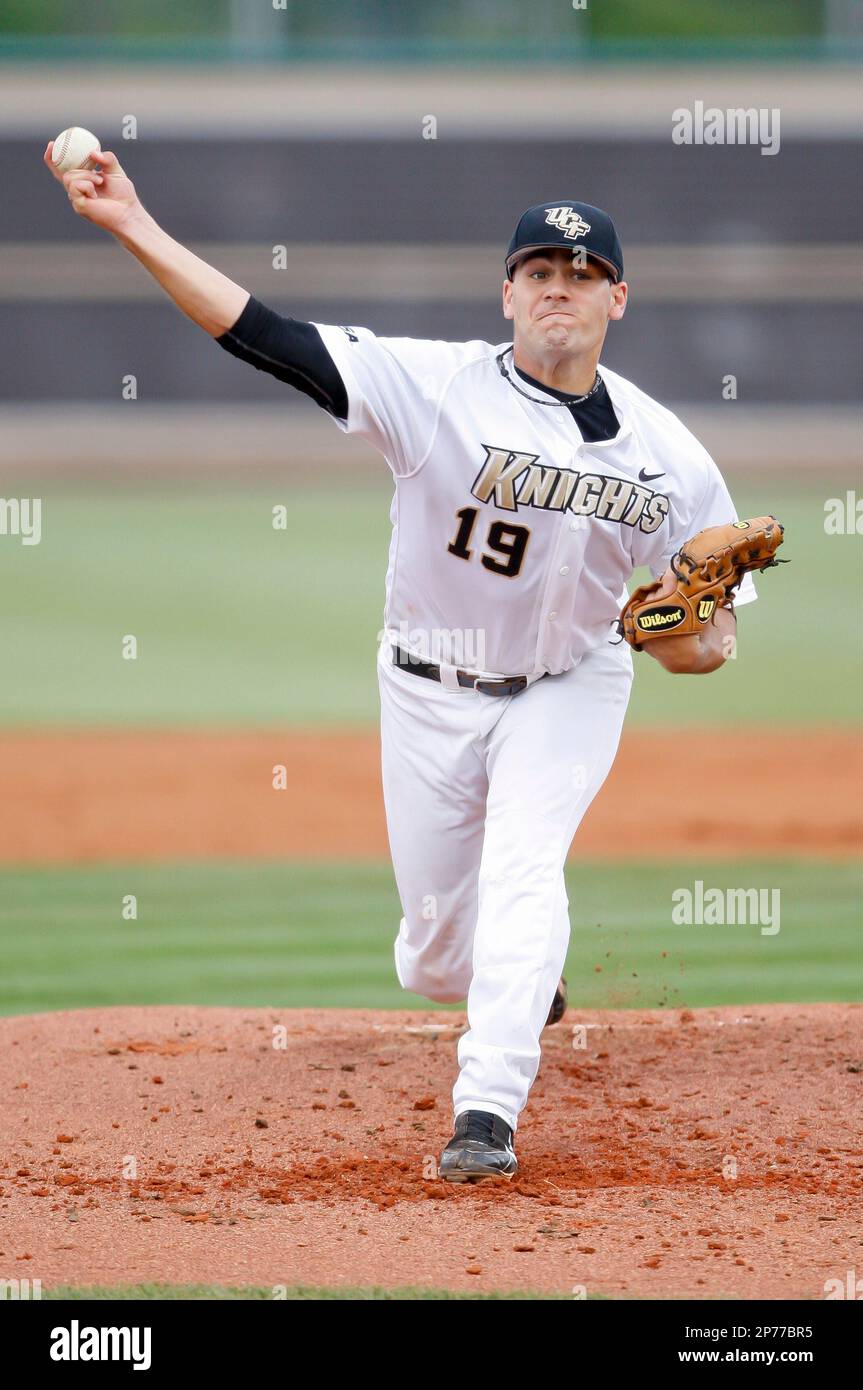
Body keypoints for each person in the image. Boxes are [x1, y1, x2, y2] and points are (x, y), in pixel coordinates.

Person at [45, 146, 756, 1182]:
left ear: (618, 299)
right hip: (425, 688)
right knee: (431, 957)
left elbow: (711, 640)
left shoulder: (671, 458)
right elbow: (260, 332)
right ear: (506, 291)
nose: (560, 290)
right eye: (540, 272)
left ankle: (486, 1112)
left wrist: (681, 639)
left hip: (569, 684)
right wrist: (133, 225)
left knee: (525, 872)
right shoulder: (432, 388)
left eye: (582, 275)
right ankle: (514, 978)